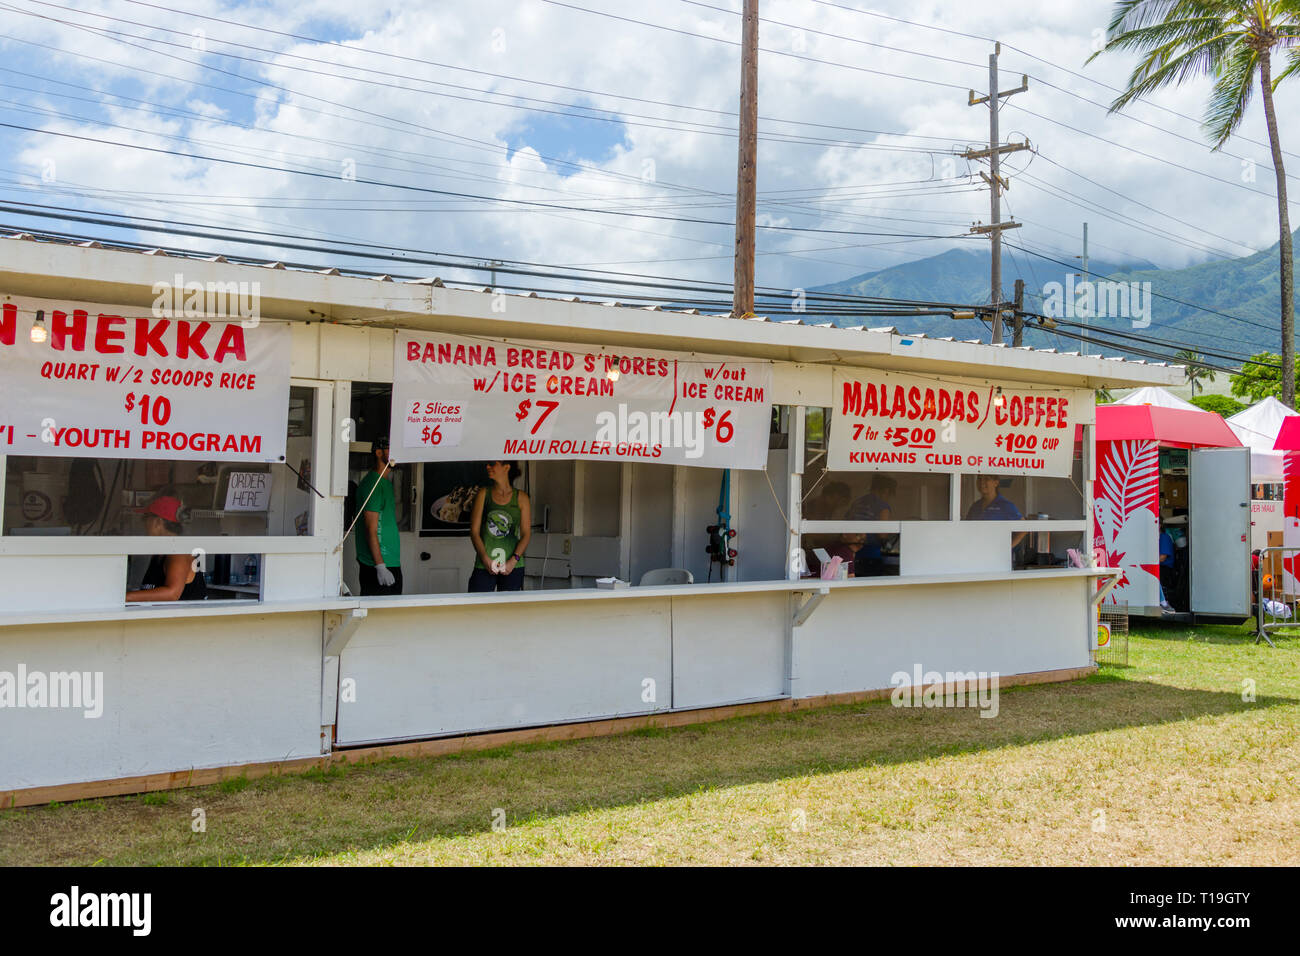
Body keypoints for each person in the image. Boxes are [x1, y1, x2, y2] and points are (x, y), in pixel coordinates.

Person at [125, 494, 208, 602]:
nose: (144, 523)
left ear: (157, 522)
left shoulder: (178, 553)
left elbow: (172, 593)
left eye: (145, 518)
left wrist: (126, 597)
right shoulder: (162, 553)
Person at [469, 460, 531, 592]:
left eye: (492, 464)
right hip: (484, 565)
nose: (488, 467)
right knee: (478, 609)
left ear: (506, 467)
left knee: (509, 611)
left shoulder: (521, 497)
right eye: (487, 463)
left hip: (513, 566)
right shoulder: (483, 494)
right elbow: (474, 532)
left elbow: (526, 533)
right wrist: (485, 559)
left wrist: (514, 560)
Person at [355, 436, 402, 596]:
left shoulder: (384, 483)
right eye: (390, 449)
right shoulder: (372, 484)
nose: (396, 454)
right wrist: (380, 566)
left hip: (389, 561)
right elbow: (370, 528)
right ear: (378, 452)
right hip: (377, 565)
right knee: (379, 618)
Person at [848, 475, 897, 576]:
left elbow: (847, 522)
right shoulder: (883, 506)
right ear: (886, 491)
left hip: (854, 552)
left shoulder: (857, 502)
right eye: (890, 494)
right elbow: (882, 535)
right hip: (871, 554)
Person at [967, 474, 1027, 547]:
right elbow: (967, 529)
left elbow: (1024, 528)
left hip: (996, 555)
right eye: (979, 479)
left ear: (996, 483)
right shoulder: (975, 506)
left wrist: (1007, 547)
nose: (982, 482)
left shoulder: (1005, 505)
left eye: (986, 479)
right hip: (977, 551)